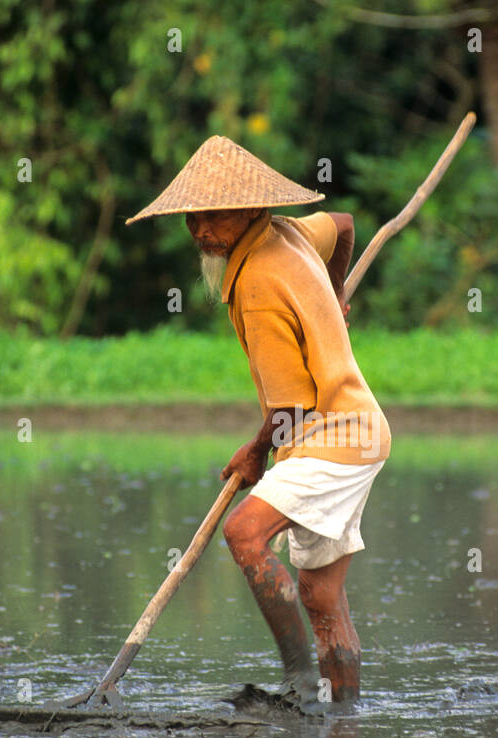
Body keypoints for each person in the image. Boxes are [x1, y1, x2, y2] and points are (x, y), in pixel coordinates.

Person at [127, 136, 391, 709]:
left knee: (244, 534)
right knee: (321, 597)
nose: (201, 231)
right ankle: (341, 715)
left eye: (215, 216)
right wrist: (335, 287)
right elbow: (343, 225)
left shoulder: (255, 286)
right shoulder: (291, 230)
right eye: (192, 218)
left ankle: (298, 683)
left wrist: (253, 453)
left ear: (249, 209)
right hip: (361, 431)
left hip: (333, 436)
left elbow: (291, 409)